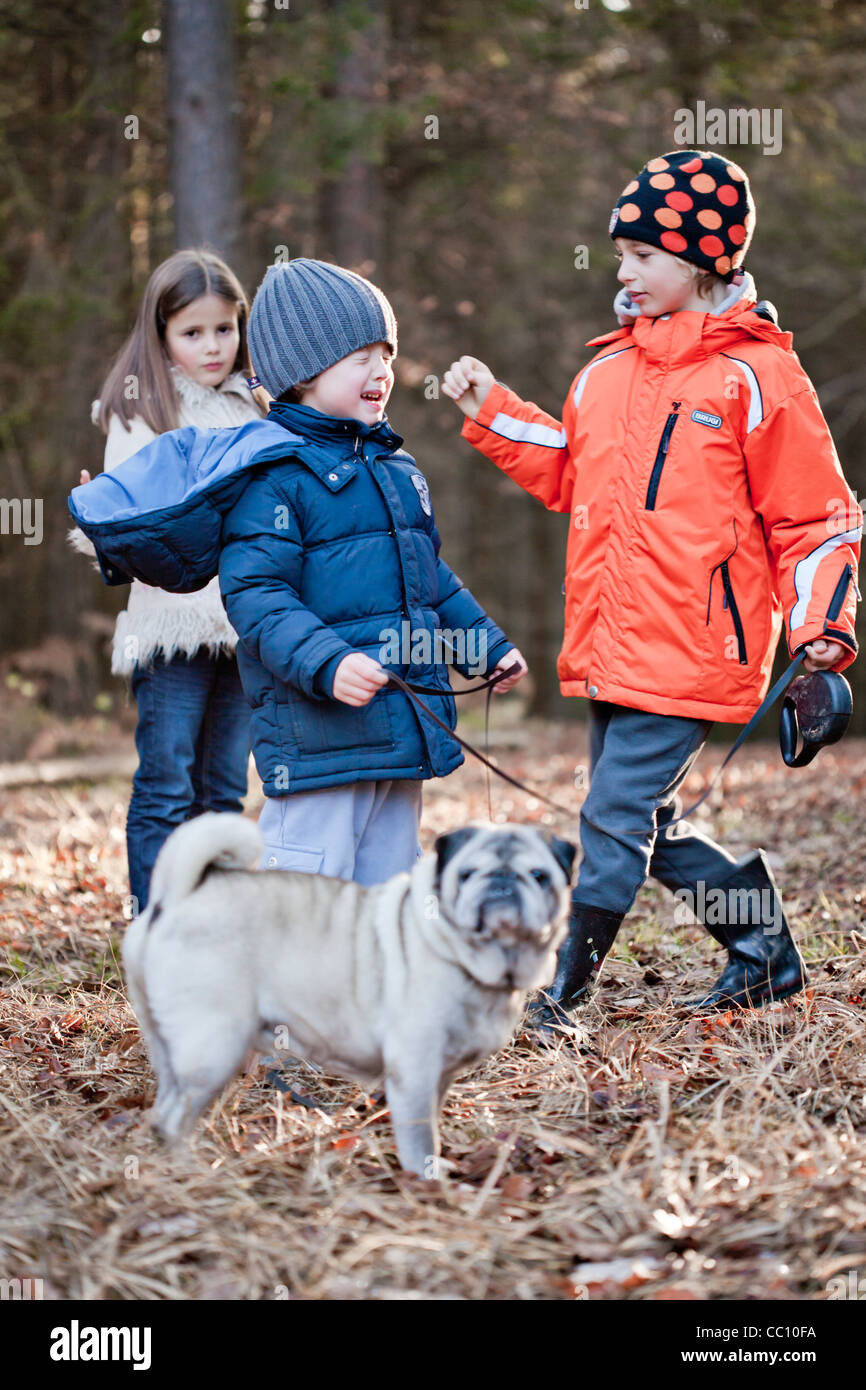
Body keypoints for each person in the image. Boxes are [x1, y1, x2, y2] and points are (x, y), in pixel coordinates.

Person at [442, 149, 861, 1032]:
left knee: (611, 818)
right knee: (648, 826)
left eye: (641, 254)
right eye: (621, 253)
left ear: (704, 263)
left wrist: (822, 629)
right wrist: (490, 409)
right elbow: (568, 472)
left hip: (699, 645)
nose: (622, 271)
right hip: (613, 640)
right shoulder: (607, 373)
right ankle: (764, 951)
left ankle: (557, 993)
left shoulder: (758, 376)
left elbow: (817, 519)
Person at [217, 258, 526, 884]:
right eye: (359, 356)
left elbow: (429, 578)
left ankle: (376, 985)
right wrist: (326, 661)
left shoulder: (397, 469)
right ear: (302, 373)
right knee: (312, 884)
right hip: (318, 734)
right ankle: (292, 986)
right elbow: (256, 595)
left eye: (386, 353)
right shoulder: (272, 475)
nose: (381, 370)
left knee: (390, 885)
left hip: (399, 720)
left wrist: (484, 645)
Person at [71, 248, 266, 912]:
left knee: (223, 788)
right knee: (167, 783)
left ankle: (215, 924)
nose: (212, 347)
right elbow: (138, 527)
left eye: (224, 328)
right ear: (161, 336)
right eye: (192, 332)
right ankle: (156, 924)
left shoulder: (256, 410)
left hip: (243, 626)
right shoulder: (140, 412)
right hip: (169, 629)